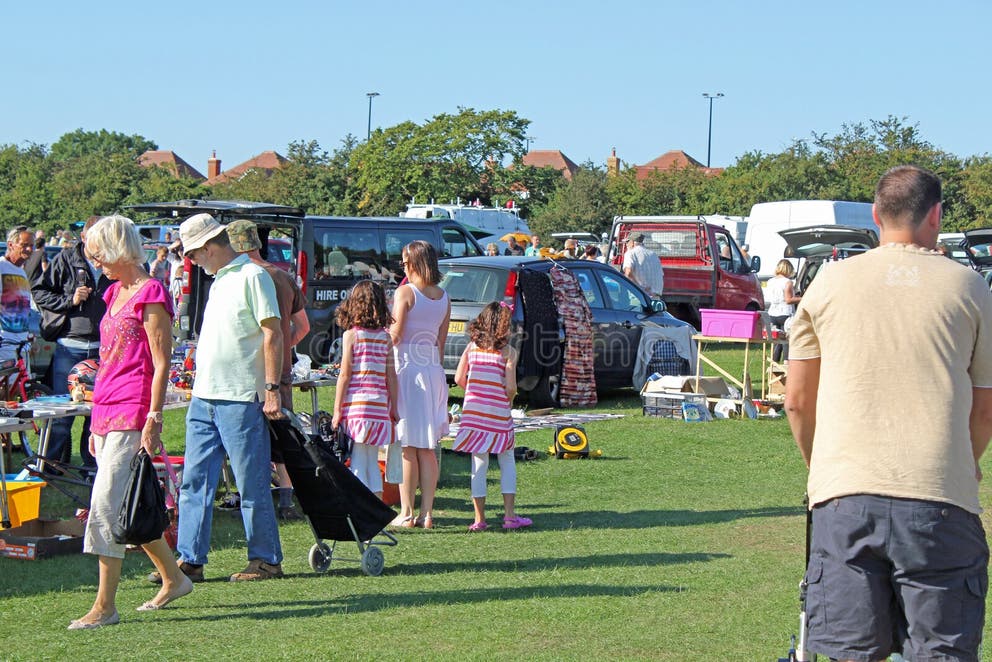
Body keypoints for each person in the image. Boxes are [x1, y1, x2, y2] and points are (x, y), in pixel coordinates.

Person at [786, 165, 992, 662]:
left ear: (876, 215)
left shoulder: (828, 284)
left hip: (844, 495)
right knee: (941, 650)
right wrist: (959, 465)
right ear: (936, 216)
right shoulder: (969, 288)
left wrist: (824, 470)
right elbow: (985, 408)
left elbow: (796, 399)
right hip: (940, 495)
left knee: (850, 651)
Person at [67, 215, 191, 630]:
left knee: (104, 507)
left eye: (100, 252)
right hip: (105, 408)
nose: (96, 261)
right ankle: (174, 578)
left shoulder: (151, 293)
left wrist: (153, 418)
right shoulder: (113, 293)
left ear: (119, 248)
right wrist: (94, 413)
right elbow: (109, 358)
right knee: (124, 504)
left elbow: (161, 363)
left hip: (133, 410)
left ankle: (104, 607)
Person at [162, 213, 286, 583]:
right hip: (205, 397)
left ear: (212, 246)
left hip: (240, 398)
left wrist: (271, 390)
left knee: (250, 482)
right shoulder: (219, 281)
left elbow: (273, 334)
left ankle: (265, 559)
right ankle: (190, 560)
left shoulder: (253, 276)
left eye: (195, 254)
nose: (193, 261)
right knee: (194, 482)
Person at [227, 220, 311, 520]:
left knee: (246, 438)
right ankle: (287, 499)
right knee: (283, 436)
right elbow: (303, 326)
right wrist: (284, 349)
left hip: (244, 372)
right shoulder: (283, 277)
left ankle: (249, 496)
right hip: (281, 370)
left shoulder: (234, 278)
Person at [32, 216, 110, 474]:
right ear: (85, 238)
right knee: (63, 413)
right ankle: (50, 467)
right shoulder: (65, 259)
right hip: (70, 345)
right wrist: (70, 299)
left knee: (95, 412)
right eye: (95, 239)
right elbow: (40, 292)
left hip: (102, 346)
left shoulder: (111, 260)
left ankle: (90, 465)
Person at [453, 302, 531, 532]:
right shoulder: (509, 352)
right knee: (506, 459)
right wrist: (507, 402)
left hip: (474, 413)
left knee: (479, 462)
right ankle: (509, 516)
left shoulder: (471, 348)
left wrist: (474, 392)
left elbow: (458, 378)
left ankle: (479, 519)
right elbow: (510, 387)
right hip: (498, 413)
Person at [389, 240, 450, 529]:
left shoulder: (405, 292)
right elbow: (441, 343)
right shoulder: (444, 296)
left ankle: (407, 512)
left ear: (414, 262)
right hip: (432, 371)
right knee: (428, 447)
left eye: (404, 260)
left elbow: (396, 334)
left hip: (407, 370)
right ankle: (427, 513)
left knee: (408, 445)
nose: (402, 265)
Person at [332, 280, 398, 498]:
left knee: (359, 459)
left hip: (357, 405)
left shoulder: (351, 335)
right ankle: (377, 510)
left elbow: (344, 375)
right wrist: (394, 408)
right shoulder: (385, 337)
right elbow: (391, 376)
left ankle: (363, 512)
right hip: (379, 406)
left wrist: (337, 410)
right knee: (371, 459)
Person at [0, 227, 35, 365]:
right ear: (10, 245)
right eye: (24, 245)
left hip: (21, 344)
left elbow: (23, 309)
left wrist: (28, 335)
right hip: (4, 344)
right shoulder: (2, 267)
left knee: (23, 386)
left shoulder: (21, 272)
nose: (29, 250)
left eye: (31, 246)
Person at [765, 259, 800, 363]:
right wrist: (802, 298)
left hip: (772, 313)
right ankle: (786, 364)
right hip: (785, 313)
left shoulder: (770, 281)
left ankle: (773, 365)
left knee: (776, 341)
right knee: (786, 340)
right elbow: (788, 300)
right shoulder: (787, 282)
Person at [622, 233, 664, 298]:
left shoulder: (630, 253)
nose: (626, 244)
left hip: (639, 297)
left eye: (627, 242)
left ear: (632, 242)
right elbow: (661, 274)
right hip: (656, 297)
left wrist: (640, 288)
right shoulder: (653, 255)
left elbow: (628, 273)